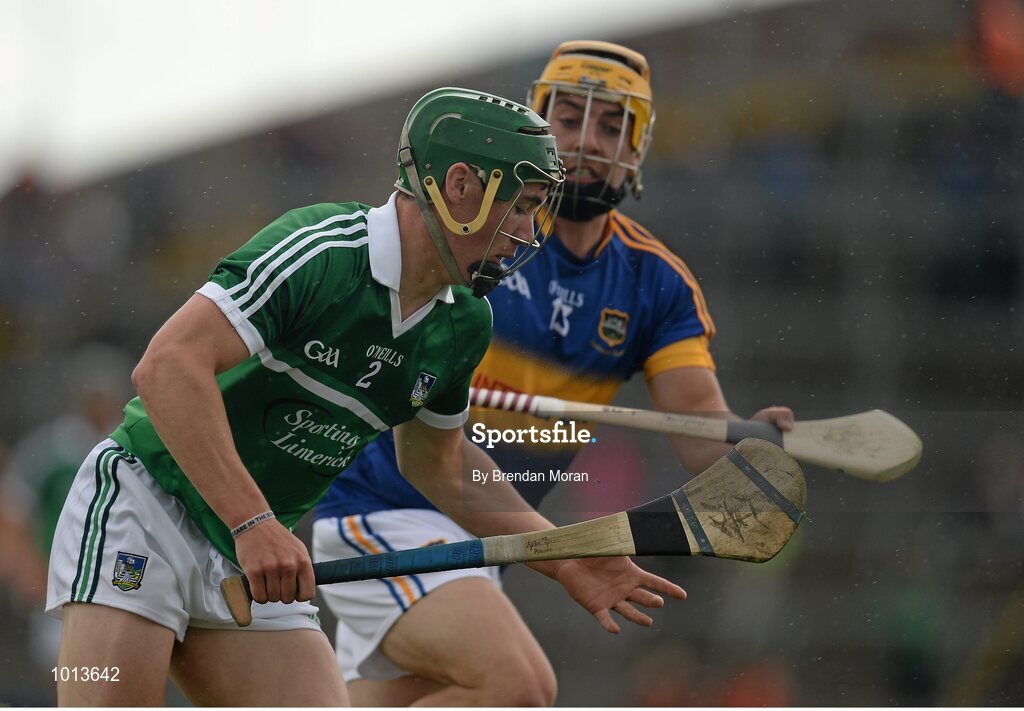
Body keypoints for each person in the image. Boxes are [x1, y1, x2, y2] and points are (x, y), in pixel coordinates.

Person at [45, 86, 686, 707]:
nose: (528, 232)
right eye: (519, 205)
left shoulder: (463, 322)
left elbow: (442, 465)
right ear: (459, 185)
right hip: (148, 509)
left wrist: (561, 557)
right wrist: (252, 521)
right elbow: (166, 367)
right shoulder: (323, 252)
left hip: (256, 555)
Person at [312, 41, 795, 706]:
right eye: (568, 119)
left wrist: (750, 441)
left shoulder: (656, 285)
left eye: (610, 126)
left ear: (638, 148)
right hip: (389, 507)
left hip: (490, 534)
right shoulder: (478, 229)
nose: (585, 142)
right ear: (536, 124)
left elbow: (697, 432)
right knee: (521, 686)